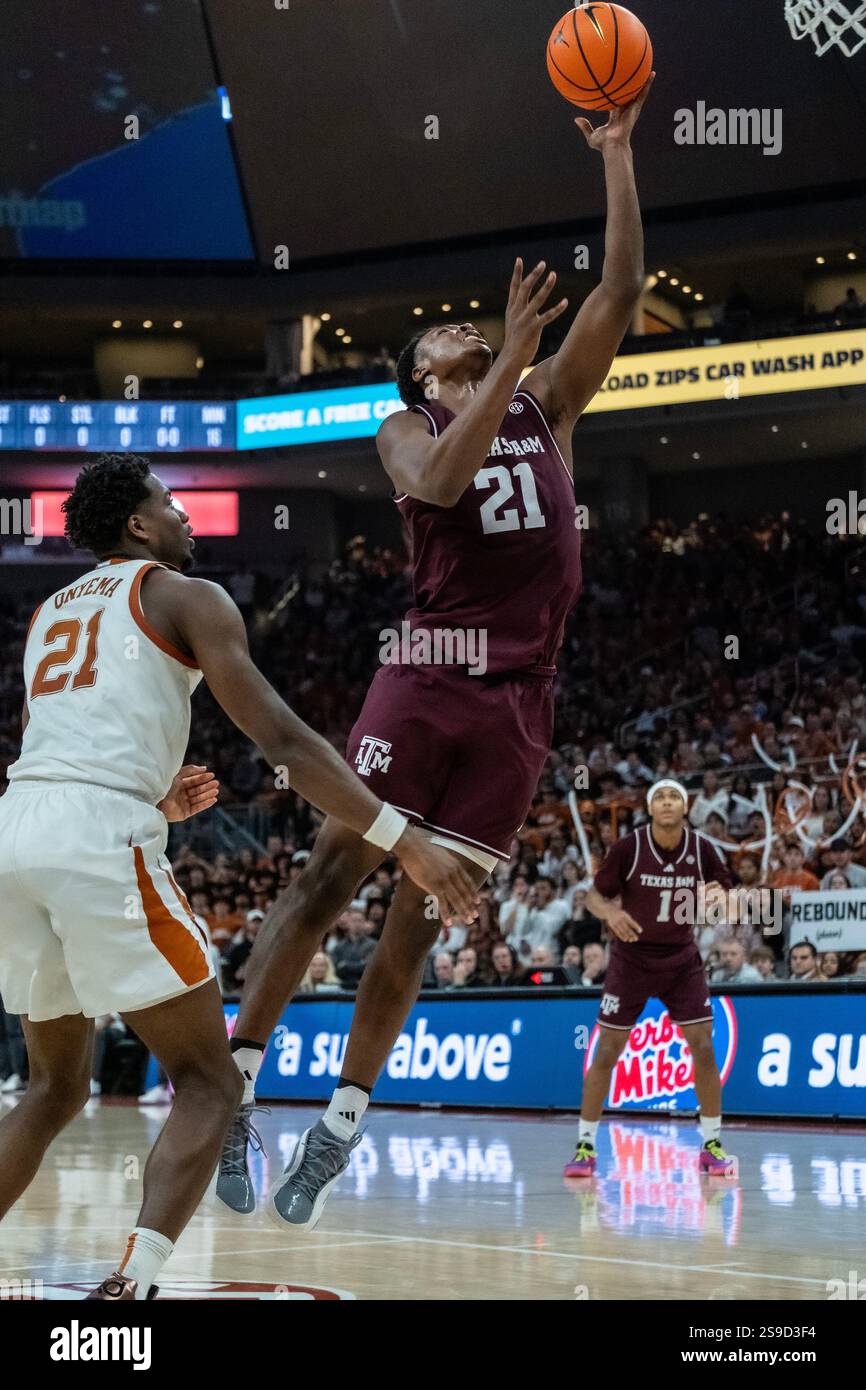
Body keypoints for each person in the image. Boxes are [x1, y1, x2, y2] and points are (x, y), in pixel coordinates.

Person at [216, 76, 653, 1226]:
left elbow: (620, 288)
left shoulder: (549, 406)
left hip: (519, 702)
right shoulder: (404, 425)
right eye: (450, 336)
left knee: (420, 922)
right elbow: (445, 480)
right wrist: (504, 354)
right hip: (424, 672)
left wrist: (612, 152)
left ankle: (338, 1128)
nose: (470, 325)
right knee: (325, 876)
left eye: (480, 328)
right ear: (426, 373)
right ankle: (237, 1090)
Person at [0, 454, 475, 1301]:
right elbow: (285, 744)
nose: (184, 517)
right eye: (170, 504)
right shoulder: (188, 597)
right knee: (213, 1080)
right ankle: (132, 1286)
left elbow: (70, 741)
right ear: (139, 527)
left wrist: (151, 792)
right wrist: (402, 837)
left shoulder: (47, 614)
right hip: (96, 839)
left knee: (53, 1084)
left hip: (18, 829)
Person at [563, 779, 737, 1180]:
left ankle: (711, 1144)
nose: (667, 802)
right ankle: (586, 1146)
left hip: (681, 960)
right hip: (631, 961)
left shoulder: (701, 848)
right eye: (660, 796)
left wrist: (719, 898)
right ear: (650, 807)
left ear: (686, 805)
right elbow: (593, 896)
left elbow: (725, 891)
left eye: (674, 795)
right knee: (606, 1051)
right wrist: (610, 914)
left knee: (704, 1049)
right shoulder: (629, 847)